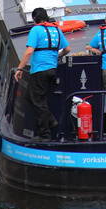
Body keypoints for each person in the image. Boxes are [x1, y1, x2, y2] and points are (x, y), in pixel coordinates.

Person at [11, 7, 69, 139]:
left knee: (38, 101)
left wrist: (20, 68)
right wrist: (57, 56)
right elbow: (67, 49)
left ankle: (45, 134)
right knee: (30, 97)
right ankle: (51, 119)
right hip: (52, 69)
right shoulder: (56, 30)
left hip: (39, 70)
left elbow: (29, 51)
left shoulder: (36, 30)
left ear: (35, 19)